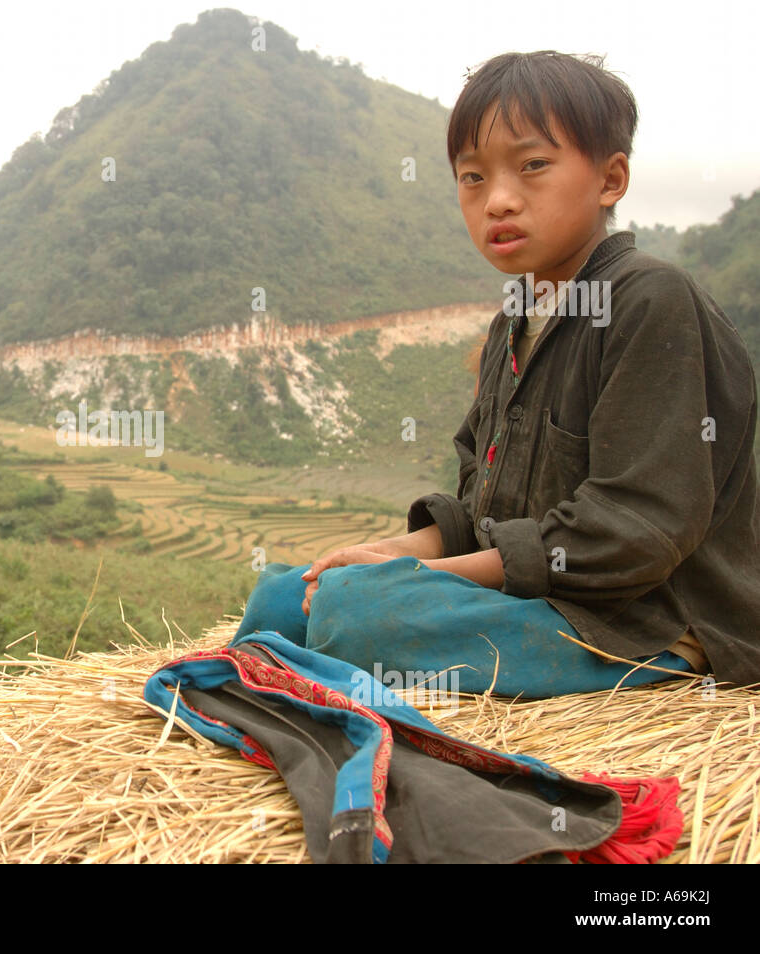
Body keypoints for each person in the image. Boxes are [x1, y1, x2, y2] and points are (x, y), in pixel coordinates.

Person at [235, 51, 760, 698]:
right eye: (473, 177)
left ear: (610, 178)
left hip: (641, 625)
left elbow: (636, 530)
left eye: (533, 166)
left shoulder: (651, 301)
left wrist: (437, 579)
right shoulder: (514, 323)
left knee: (355, 615)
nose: (499, 201)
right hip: (541, 598)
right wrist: (390, 555)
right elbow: (485, 504)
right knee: (288, 594)